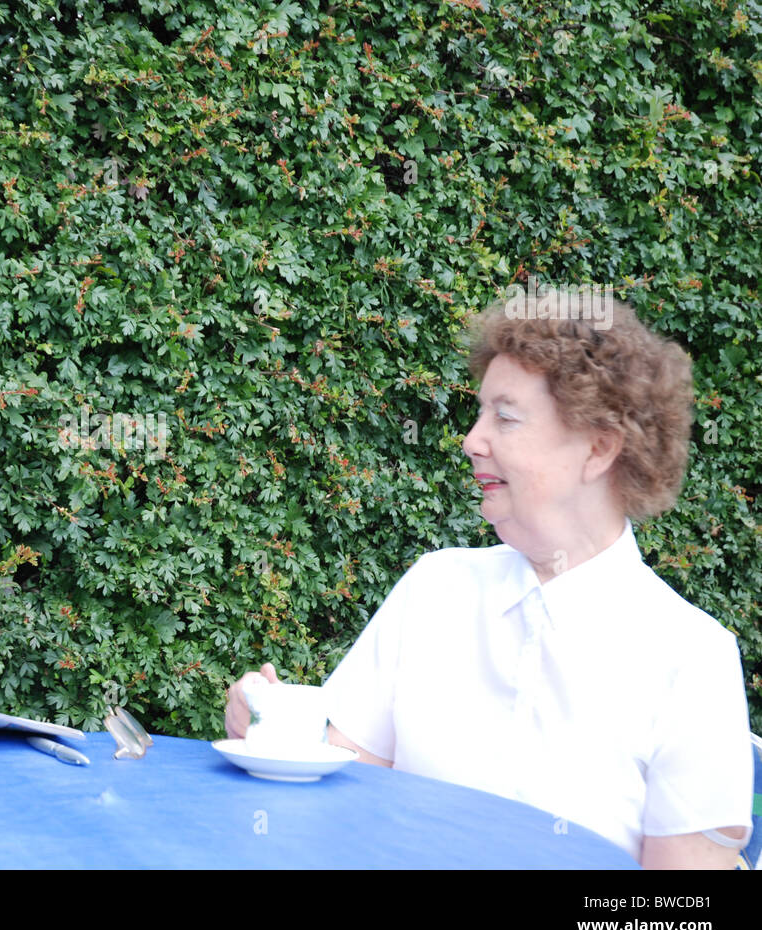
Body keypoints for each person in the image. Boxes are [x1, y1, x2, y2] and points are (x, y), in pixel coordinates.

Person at [226, 294, 754, 869]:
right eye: (481, 414)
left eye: (505, 417)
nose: (471, 440)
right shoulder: (436, 587)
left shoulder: (692, 657)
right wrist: (270, 731)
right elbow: (344, 795)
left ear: (599, 448)